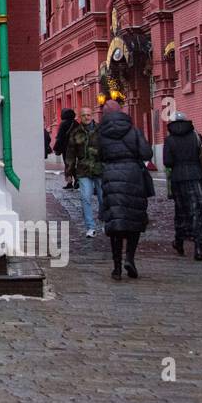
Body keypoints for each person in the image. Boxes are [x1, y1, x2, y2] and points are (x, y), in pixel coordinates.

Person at [98, 96, 153, 280]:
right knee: (134, 219)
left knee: (115, 221)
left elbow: (98, 154)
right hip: (133, 176)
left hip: (111, 177)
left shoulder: (101, 132)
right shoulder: (133, 130)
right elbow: (146, 153)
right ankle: (130, 258)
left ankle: (116, 267)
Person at [162, 112, 202, 260]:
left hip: (178, 179)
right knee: (198, 210)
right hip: (196, 177)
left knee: (181, 212)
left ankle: (179, 242)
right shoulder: (196, 136)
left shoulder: (169, 140)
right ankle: (198, 247)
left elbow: (167, 162)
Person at [65, 104, 103, 237]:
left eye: (88, 114)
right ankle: (90, 227)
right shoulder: (75, 133)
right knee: (85, 198)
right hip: (83, 170)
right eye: (83, 115)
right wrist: (69, 172)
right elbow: (70, 153)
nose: (86, 117)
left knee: (103, 197)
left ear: (92, 115)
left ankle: (104, 223)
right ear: (80, 117)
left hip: (100, 169)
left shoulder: (100, 130)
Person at [53, 108, 78, 187]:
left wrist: (56, 148)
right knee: (73, 164)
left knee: (67, 165)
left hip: (66, 148)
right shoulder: (76, 123)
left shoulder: (63, 124)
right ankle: (75, 180)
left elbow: (60, 137)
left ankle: (70, 182)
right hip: (75, 147)